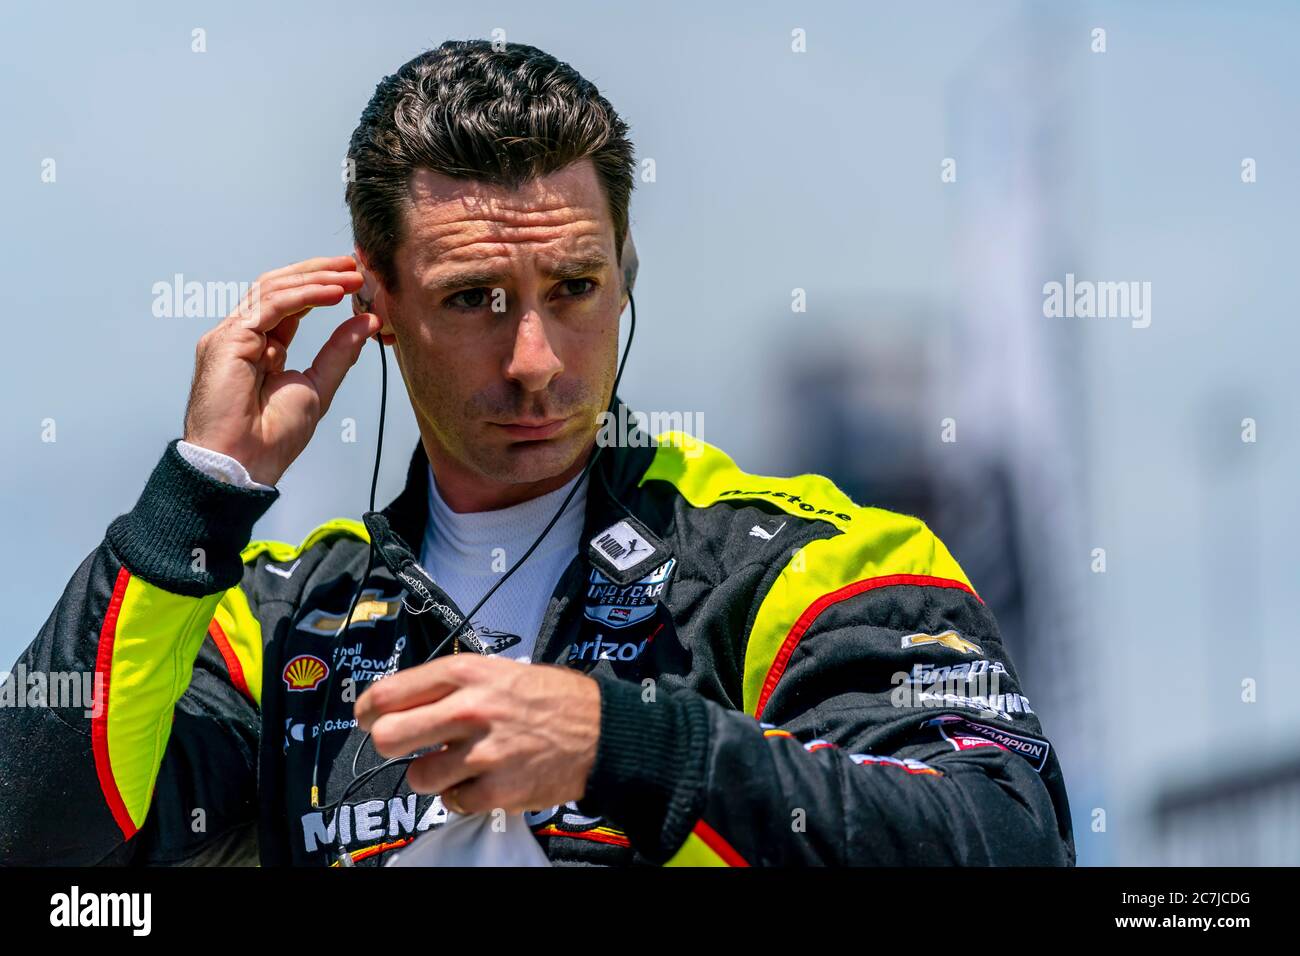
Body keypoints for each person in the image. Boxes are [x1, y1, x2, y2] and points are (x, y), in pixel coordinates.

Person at [0, 39, 1074, 867]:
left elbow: (1004, 838)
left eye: (573, 290)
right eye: (474, 300)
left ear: (627, 272)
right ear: (373, 305)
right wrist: (195, 496)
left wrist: (628, 745)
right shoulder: (286, 621)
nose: (535, 360)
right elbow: (36, 837)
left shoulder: (806, 563)